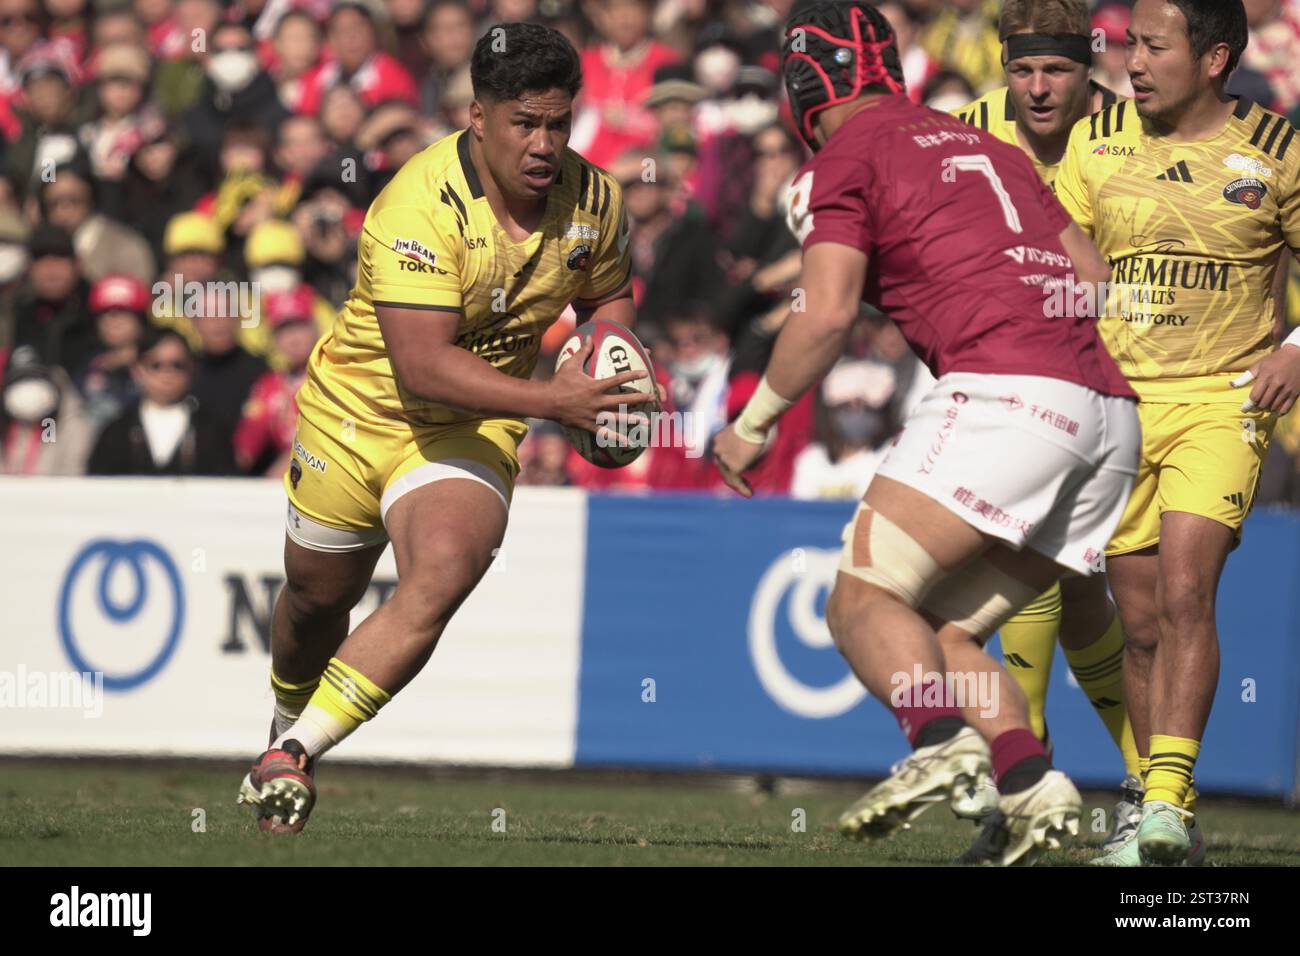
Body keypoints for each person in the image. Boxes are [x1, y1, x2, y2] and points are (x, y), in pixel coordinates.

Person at [713, 1, 1139, 866]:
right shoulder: (987, 144)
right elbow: (1092, 279)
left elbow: (824, 316)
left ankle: (939, 743)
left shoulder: (847, 156)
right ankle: (1028, 780)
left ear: (804, 85)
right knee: (946, 636)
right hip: (1109, 420)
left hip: (1009, 392)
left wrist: (751, 424)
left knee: (861, 600)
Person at [236, 21, 653, 834]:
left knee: (449, 562)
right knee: (319, 601)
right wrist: (559, 403)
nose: (543, 144)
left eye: (558, 124)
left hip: (475, 422)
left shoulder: (596, 199)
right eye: (524, 123)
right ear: (478, 118)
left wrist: (614, 355)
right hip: (360, 409)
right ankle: (284, 719)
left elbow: (607, 298)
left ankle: (295, 754)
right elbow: (422, 366)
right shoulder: (416, 204)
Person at [1054, 0, 1300, 866]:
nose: (1133, 62)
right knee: (1144, 619)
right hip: (1118, 406)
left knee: (1191, 591)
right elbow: (1062, 242)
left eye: (1153, 47)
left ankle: (1163, 803)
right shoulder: (1098, 137)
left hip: (1222, 400)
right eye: (1129, 46)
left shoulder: (1280, 151)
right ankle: (1157, 809)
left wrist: (1298, 348)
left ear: (1214, 56)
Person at [951, 0, 1142, 862]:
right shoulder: (963, 132)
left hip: (1118, 384)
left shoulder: (1138, 134)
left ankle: (1026, 787)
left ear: (1088, 69)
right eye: (1021, 70)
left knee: (1042, 579)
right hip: (1002, 381)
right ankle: (1151, 790)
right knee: (1073, 600)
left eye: (1056, 71)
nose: (1037, 88)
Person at [87, 325, 237, 476]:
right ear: (137, 370)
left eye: (178, 365)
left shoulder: (212, 431)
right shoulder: (116, 432)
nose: (167, 374)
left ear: (192, 369)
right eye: (156, 365)